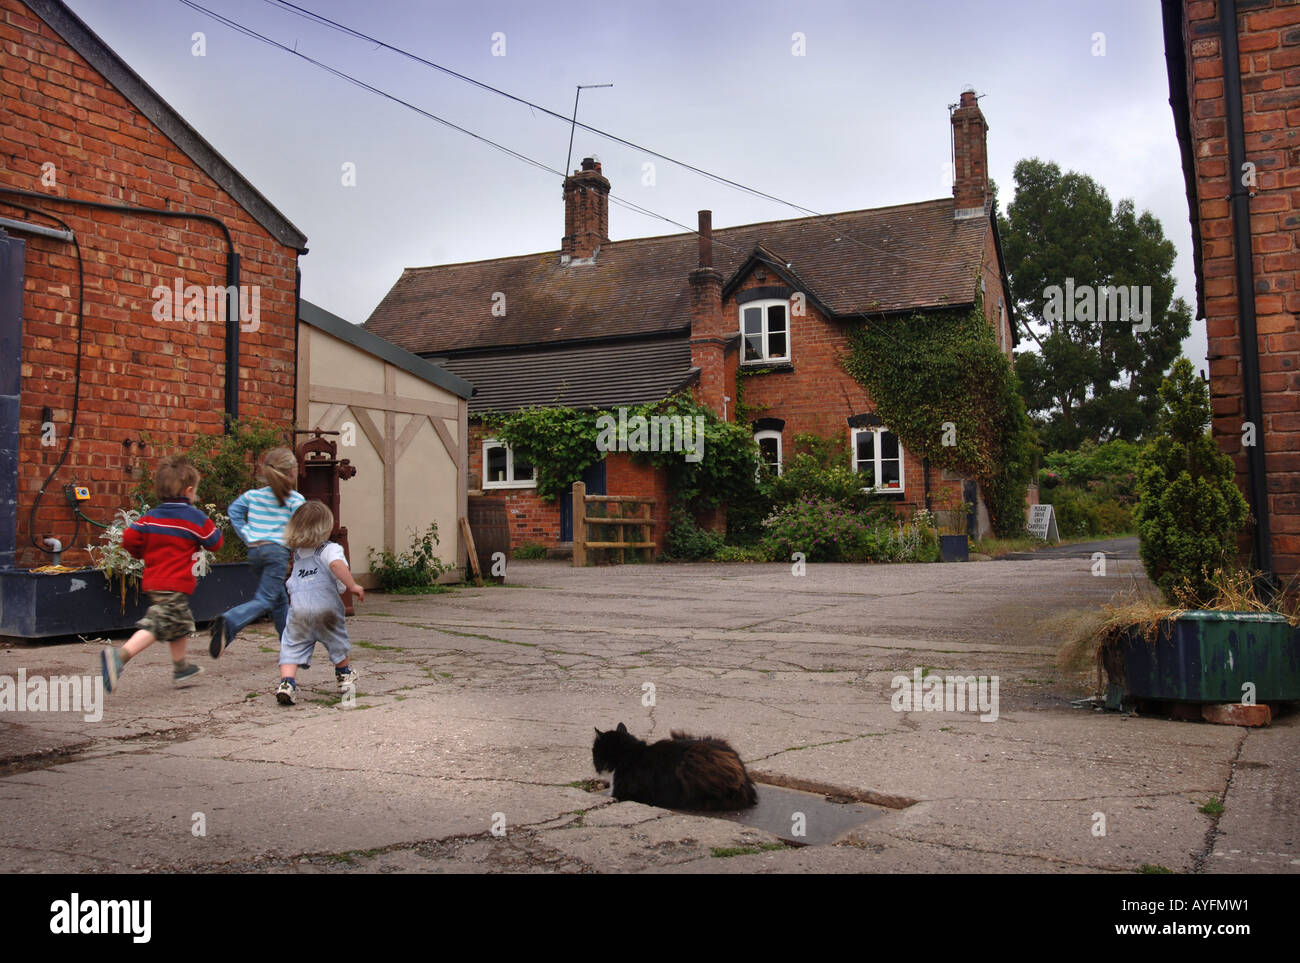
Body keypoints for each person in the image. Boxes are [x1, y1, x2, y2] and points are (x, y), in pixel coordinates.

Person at [100, 456, 223, 693]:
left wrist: (140, 552)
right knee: (158, 624)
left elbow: (128, 538)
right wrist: (204, 528)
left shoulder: (151, 517)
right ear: (188, 491)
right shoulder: (193, 517)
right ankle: (119, 656)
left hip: (154, 581)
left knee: (178, 622)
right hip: (175, 582)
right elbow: (215, 543)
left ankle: (181, 667)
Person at [209, 447, 304, 658]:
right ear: (291, 472)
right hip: (276, 554)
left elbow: (233, 511)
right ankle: (230, 621)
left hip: (255, 552)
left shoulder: (253, 496)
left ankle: (289, 648)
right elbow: (302, 530)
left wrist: (247, 534)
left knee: (279, 600)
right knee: (266, 599)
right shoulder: (296, 500)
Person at [275, 500, 363, 705]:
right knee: (337, 642)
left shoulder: (297, 554)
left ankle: (287, 683)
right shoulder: (330, 549)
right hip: (326, 611)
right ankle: (343, 675)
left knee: (291, 647)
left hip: (299, 612)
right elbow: (336, 565)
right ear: (326, 527)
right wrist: (352, 585)